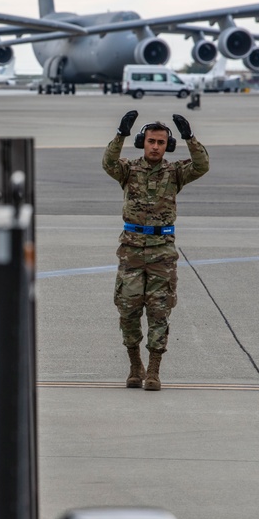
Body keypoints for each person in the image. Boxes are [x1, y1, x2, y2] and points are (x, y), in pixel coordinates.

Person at [103, 111, 209, 391]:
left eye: (161, 142)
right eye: (151, 141)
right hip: (132, 251)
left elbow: (202, 166)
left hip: (162, 252)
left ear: (167, 146)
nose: (155, 146)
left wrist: (189, 137)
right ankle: (134, 365)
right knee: (127, 309)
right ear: (143, 142)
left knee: (159, 311)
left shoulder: (174, 173)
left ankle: (153, 370)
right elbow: (108, 163)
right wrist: (120, 133)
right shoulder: (129, 170)